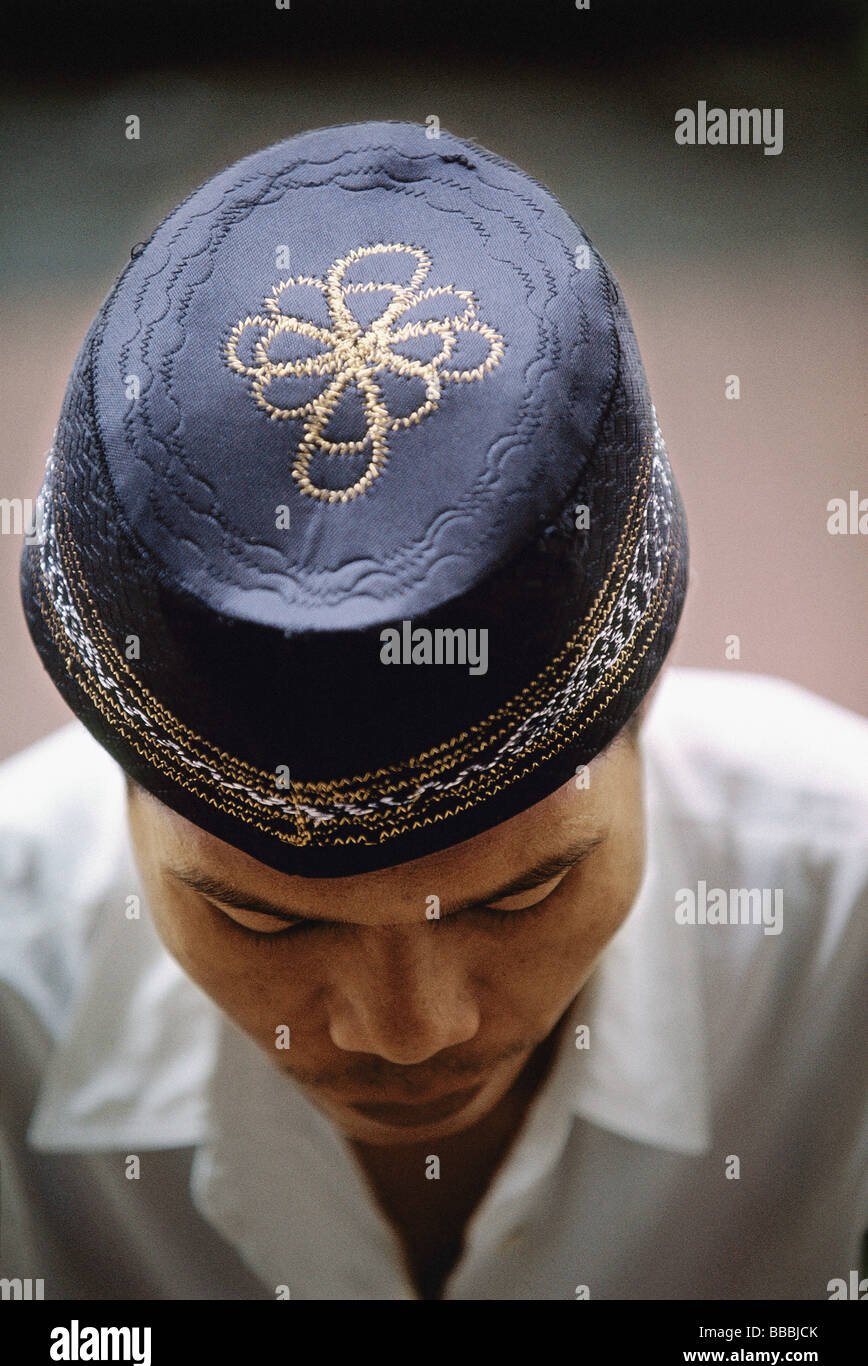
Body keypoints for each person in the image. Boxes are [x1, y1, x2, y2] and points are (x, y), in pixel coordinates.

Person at [2, 121, 865, 1302]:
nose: (408, 1031)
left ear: (649, 707)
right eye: (264, 922)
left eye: (520, 896)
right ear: (117, 786)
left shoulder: (840, 930)